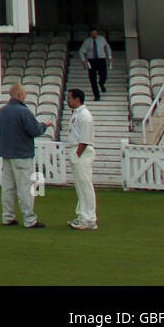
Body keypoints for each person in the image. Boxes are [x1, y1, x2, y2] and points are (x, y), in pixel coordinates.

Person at [0, 82, 52, 228]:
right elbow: (34, 130)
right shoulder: (23, 111)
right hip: (22, 155)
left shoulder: (3, 110)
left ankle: (7, 216)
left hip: (7, 153)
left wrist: (5, 142)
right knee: (25, 188)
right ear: (20, 95)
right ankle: (29, 219)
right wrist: (45, 125)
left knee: (7, 187)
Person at [66, 88, 97, 230]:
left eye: (70, 98)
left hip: (82, 152)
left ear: (77, 99)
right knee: (80, 186)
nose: (68, 100)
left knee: (85, 185)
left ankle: (89, 219)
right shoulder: (76, 114)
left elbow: (85, 139)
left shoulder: (85, 115)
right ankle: (82, 216)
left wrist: (77, 155)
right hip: (77, 151)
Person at [79, 28, 112, 102]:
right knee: (92, 78)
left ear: (97, 33)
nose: (94, 35)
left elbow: (107, 47)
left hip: (101, 59)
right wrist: (83, 60)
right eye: (92, 34)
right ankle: (96, 95)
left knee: (103, 75)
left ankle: (101, 83)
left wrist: (109, 56)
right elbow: (81, 51)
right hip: (91, 60)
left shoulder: (102, 39)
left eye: (95, 33)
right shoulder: (87, 41)